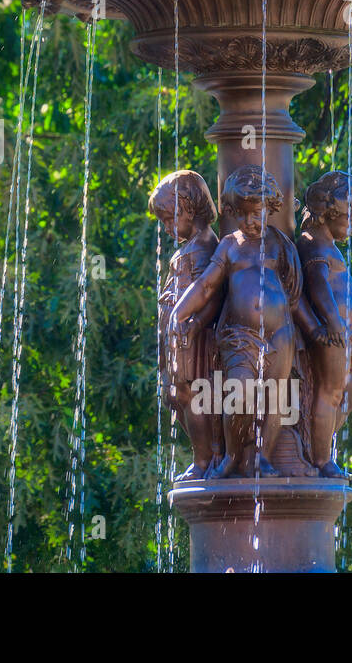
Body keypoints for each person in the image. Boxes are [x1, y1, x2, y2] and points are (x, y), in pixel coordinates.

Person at [170, 165, 316, 478]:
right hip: (240, 335)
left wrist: (315, 328)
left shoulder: (279, 245)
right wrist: (180, 312)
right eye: (243, 214)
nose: (251, 221)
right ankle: (231, 458)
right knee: (238, 396)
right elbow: (206, 285)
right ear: (233, 212)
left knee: (275, 396)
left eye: (258, 213)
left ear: (271, 208)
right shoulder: (230, 246)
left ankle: (262, 456)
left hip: (281, 334)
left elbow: (295, 293)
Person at [297, 170, 352, 478]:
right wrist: (333, 322)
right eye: (351, 219)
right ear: (328, 210)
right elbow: (317, 286)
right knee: (330, 391)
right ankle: (319, 459)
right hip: (332, 332)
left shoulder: (327, 244)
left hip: (345, 334)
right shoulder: (312, 243)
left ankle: (316, 439)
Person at [150, 171, 221, 480]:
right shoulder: (192, 245)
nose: (166, 228)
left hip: (192, 337)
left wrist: (197, 322)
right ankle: (205, 456)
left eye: (169, 219)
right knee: (177, 396)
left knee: (190, 394)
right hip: (177, 335)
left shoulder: (205, 246)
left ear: (189, 209)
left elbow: (213, 292)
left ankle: (205, 460)